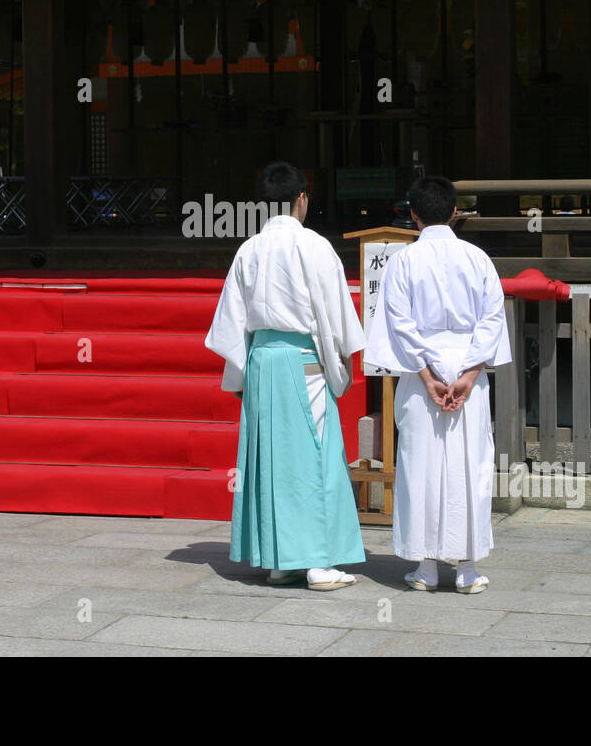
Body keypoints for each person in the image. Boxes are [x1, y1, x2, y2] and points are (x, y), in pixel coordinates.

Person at [205, 162, 367, 591]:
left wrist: (241, 374)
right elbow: (336, 313)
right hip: (303, 361)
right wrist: (344, 361)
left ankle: (280, 560)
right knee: (312, 457)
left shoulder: (249, 249)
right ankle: (315, 562)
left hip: (262, 359)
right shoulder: (314, 247)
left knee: (272, 460)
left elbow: (231, 322)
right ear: (301, 199)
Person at [364, 176, 512, 593]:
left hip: (423, 365)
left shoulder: (404, 261)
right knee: (470, 462)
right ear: (453, 212)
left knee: (421, 463)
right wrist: (468, 375)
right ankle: (467, 567)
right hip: (468, 361)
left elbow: (400, 322)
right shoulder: (478, 258)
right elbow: (491, 319)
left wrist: (428, 377)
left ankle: (426, 565)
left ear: (412, 214)